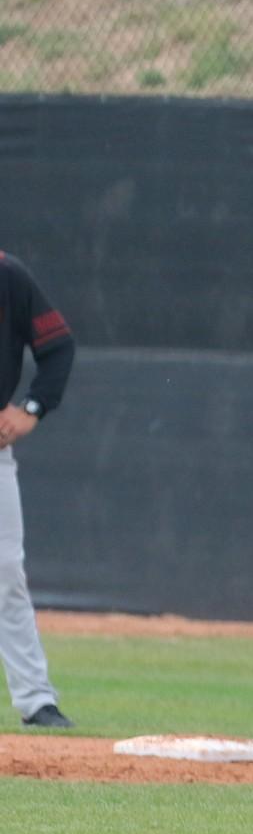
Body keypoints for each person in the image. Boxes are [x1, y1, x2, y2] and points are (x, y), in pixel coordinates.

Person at [0, 249, 76, 730]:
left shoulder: (7, 275)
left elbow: (58, 347)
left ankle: (35, 701)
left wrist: (30, 407)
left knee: (6, 571)